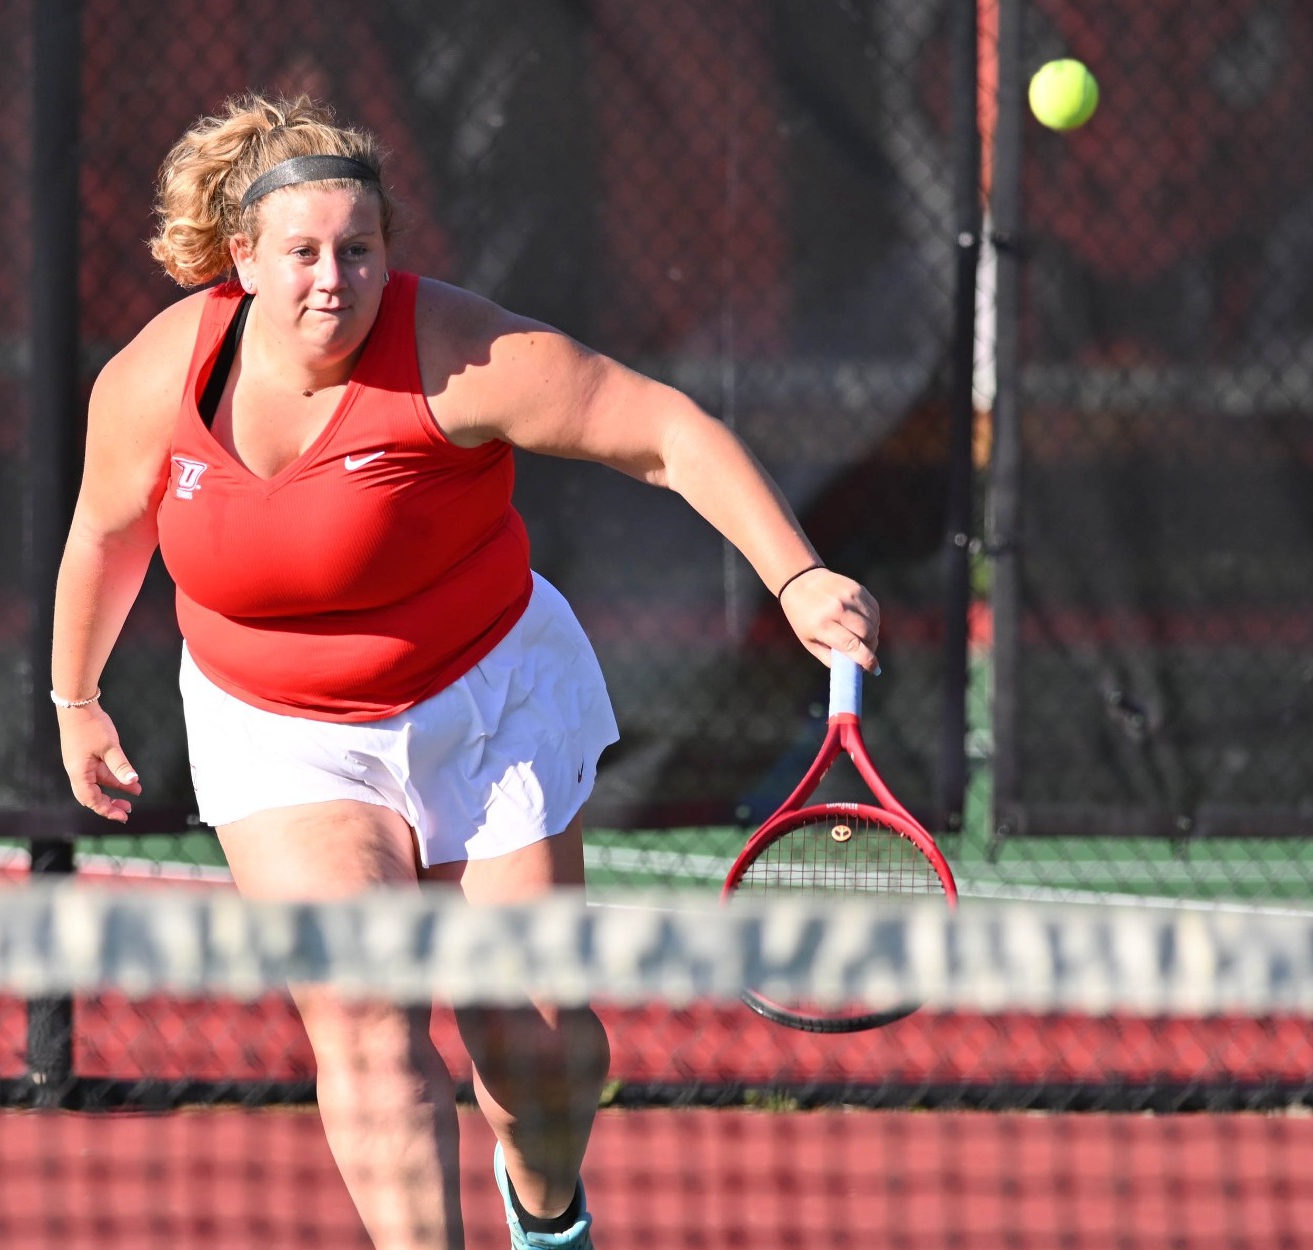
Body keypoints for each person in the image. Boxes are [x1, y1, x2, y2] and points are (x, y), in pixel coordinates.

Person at [50, 93, 881, 1250]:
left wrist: (793, 577)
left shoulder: (459, 353)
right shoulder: (155, 380)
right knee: (365, 1018)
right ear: (242, 260)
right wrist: (74, 696)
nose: (331, 279)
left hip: (488, 702)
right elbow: (104, 532)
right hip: (278, 730)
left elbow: (666, 431)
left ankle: (545, 1212)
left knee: (536, 1050)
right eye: (300, 254)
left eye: (358, 249)